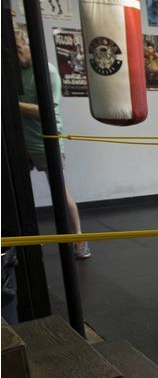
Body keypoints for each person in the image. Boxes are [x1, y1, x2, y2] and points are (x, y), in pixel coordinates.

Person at [15, 27, 90, 260]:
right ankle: (18, 241)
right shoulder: (12, 72)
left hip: (45, 140)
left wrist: (9, 103)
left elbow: (44, 111)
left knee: (60, 192)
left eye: (18, 48)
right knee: (13, 193)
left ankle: (79, 240)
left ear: (30, 45)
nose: (15, 55)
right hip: (18, 140)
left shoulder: (46, 72)